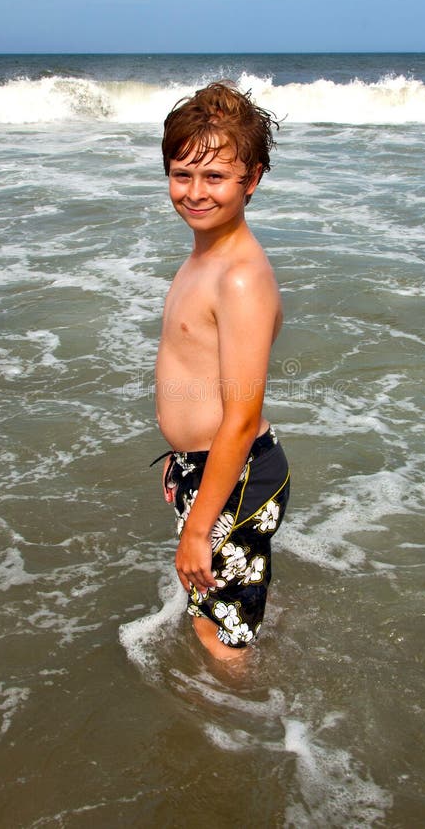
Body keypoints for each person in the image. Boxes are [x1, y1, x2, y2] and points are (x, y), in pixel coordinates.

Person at [153, 82, 290, 661]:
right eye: (182, 174)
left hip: (236, 476)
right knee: (208, 609)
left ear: (251, 179)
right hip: (207, 469)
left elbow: (240, 416)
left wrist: (196, 529)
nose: (195, 192)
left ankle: (238, 714)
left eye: (215, 177)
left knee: (222, 636)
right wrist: (182, 460)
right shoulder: (204, 254)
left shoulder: (239, 277)